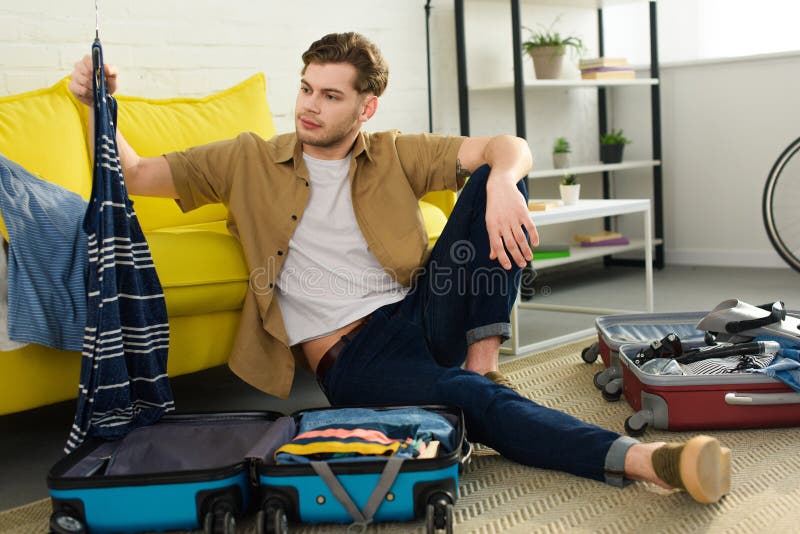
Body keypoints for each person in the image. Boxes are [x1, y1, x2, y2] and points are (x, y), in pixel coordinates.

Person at [69, 32, 730, 504]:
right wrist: (100, 103)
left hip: (421, 312)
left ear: (366, 108)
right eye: (306, 88)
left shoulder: (391, 152)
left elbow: (509, 145)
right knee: (476, 402)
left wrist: (504, 181)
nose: (309, 106)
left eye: (330, 95)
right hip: (355, 357)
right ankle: (648, 461)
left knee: (496, 179)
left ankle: (482, 362)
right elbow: (136, 174)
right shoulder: (246, 159)